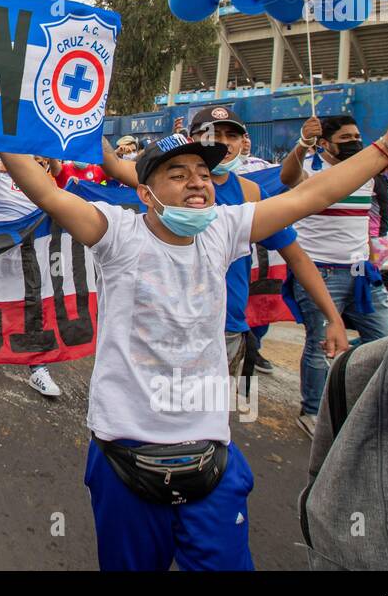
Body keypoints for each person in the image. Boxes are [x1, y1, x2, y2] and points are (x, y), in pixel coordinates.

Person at [0, 104, 388, 571]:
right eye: (178, 173)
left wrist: (386, 147)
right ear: (146, 193)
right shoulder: (117, 233)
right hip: (124, 456)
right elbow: (45, 192)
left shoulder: (223, 231)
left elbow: (311, 195)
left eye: (203, 173)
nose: (197, 182)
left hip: (212, 459)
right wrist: (1, 119)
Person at [101, 105, 347, 389]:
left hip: (225, 326)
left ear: (243, 143)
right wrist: (89, 114)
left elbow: (297, 256)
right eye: (212, 134)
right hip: (161, 325)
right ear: (193, 139)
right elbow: (113, 165)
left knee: (208, 415)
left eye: (232, 135)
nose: (223, 142)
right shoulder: (162, 180)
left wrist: (332, 316)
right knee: (148, 409)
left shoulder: (250, 193)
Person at [280, 114, 388, 437]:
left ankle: (354, 387)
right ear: (325, 143)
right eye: (345, 139)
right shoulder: (313, 171)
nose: (354, 143)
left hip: (362, 273)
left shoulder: (366, 172)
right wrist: (303, 143)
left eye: (357, 136)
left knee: (385, 341)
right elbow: (287, 175)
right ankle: (313, 410)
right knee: (319, 344)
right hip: (321, 271)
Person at [0, 150, 63, 397]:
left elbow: (57, 175)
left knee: (33, 304)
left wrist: (48, 155)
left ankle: (38, 367)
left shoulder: (37, 171)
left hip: (31, 248)